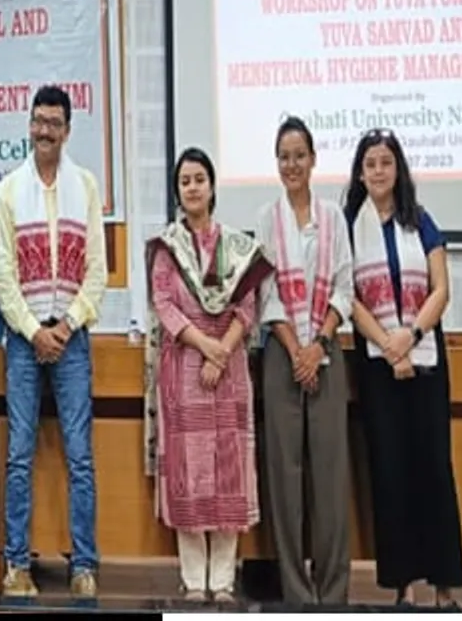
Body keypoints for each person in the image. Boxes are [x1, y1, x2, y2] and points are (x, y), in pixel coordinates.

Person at [0, 85, 107, 598]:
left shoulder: (86, 186)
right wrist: (34, 331)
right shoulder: (10, 189)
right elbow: (3, 273)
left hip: (72, 338)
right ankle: (16, 566)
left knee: (80, 457)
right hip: (23, 340)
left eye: (54, 122)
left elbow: (98, 273)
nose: (44, 130)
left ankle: (84, 566)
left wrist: (65, 326)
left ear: (67, 129)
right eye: (38, 121)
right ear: (29, 124)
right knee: (18, 455)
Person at [143, 147, 272, 603]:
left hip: (230, 369)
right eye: (185, 180)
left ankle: (223, 579)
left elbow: (248, 305)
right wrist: (205, 347)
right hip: (185, 369)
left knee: (227, 469)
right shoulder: (167, 248)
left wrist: (224, 351)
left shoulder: (237, 246)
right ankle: (194, 580)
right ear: (178, 191)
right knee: (190, 468)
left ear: (212, 186)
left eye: (200, 178)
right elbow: (164, 305)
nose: (193, 187)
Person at [343, 128, 462, 609]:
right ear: (360, 171)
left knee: (434, 470)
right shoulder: (350, 224)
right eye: (370, 163)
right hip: (376, 366)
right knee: (390, 474)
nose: (377, 171)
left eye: (385, 163)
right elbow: (348, 297)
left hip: (427, 360)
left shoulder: (422, 220)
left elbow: (441, 289)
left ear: (398, 170)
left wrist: (409, 338)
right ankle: (404, 589)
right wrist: (388, 346)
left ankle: (444, 588)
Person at [253, 117, 353, 606]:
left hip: (327, 354)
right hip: (282, 356)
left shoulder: (333, 217)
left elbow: (345, 287)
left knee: (331, 478)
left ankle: (333, 594)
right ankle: (297, 594)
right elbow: (266, 295)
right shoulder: (266, 218)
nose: (292, 164)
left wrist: (318, 347)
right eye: (284, 156)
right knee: (285, 479)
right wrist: (296, 351)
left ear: (313, 159)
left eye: (299, 155)